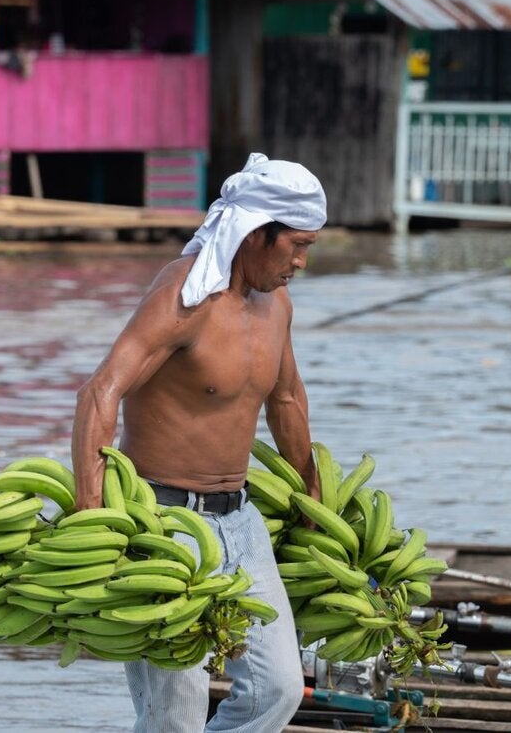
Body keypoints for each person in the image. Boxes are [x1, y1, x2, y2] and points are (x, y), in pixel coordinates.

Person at [71, 152, 325, 733]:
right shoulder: (183, 299)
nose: (302, 262)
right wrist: (92, 515)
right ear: (259, 234)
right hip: (161, 522)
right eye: (298, 245)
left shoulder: (277, 307)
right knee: (176, 711)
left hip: (239, 521)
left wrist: (312, 497)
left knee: (279, 691)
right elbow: (100, 392)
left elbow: (286, 401)